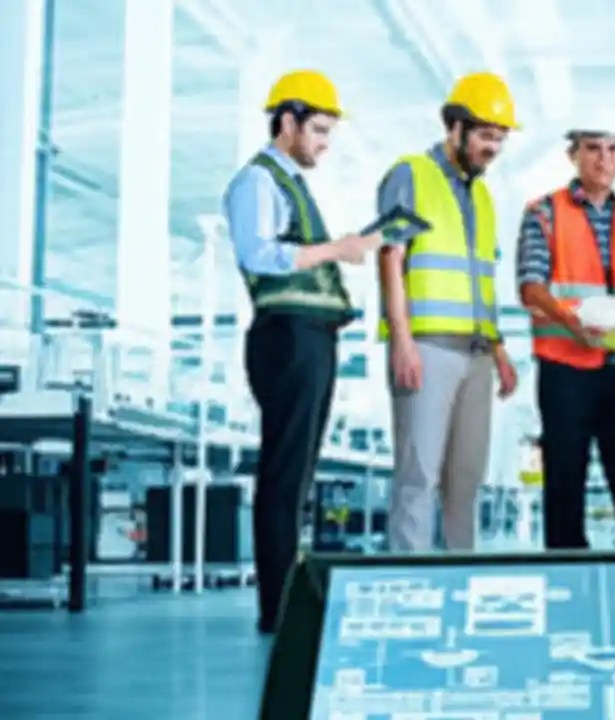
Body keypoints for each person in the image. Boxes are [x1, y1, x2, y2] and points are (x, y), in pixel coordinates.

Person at [222, 69, 381, 634]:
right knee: (285, 470)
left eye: (328, 132)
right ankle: (278, 604)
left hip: (311, 334)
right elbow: (259, 254)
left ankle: (288, 594)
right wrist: (337, 249)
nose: (322, 143)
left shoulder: (290, 183)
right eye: (316, 129)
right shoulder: (257, 182)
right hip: (286, 336)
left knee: (300, 471)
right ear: (286, 121)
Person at [376, 71, 520, 554]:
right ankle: (408, 584)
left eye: (499, 139)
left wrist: (498, 350)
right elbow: (390, 257)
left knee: (465, 479)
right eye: (484, 135)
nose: (492, 148)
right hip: (428, 347)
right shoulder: (410, 175)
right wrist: (402, 340)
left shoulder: (481, 195)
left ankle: (460, 581)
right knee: (419, 474)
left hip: (476, 353)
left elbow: (482, 280)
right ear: (453, 128)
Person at [516, 119, 615, 550]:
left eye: (614, 149)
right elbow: (531, 286)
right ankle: (568, 586)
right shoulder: (543, 213)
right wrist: (571, 323)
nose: (604, 159)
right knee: (565, 480)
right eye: (593, 148)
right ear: (573, 155)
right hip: (567, 368)